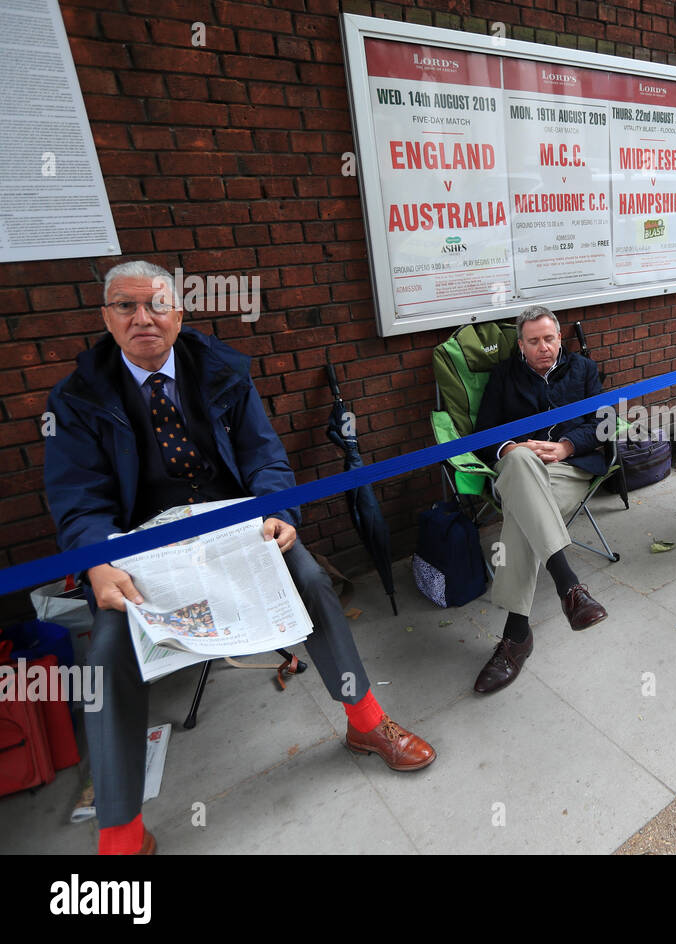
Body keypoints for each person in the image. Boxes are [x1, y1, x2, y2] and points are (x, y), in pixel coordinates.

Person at [43, 260, 434, 855]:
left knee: (310, 579)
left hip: (232, 529)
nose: (143, 317)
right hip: (141, 549)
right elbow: (78, 499)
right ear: (106, 317)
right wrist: (100, 560)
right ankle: (121, 830)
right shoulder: (76, 398)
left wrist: (280, 511)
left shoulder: (221, 369)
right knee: (106, 648)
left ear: (180, 312)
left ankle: (366, 721)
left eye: (157, 304)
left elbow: (265, 456)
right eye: (126, 306)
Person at [470, 305, 609, 694]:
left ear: (560, 338)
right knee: (517, 463)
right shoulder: (503, 377)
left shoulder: (583, 369)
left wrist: (566, 446)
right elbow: (484, 434)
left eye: (549, 338)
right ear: (521, 345)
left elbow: (603, 423)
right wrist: (511, 449)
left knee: (522, 515)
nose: (543, 347)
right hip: (520, 470)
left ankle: (517, 637)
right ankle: (570, 588)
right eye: (534, 341)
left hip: (569, 468)